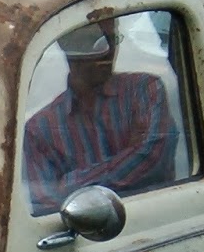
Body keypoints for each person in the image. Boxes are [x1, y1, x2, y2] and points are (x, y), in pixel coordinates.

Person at [22, 21, 176, 215]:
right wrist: (127, 161)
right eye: (95, 41)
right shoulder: (40, 129)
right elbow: (47, 206)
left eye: (112, 39)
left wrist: (68, 184)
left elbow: (152, 157)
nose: (108, 51)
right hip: (84, 232)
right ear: (67, 44)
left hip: (158, 218)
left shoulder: (144, 89)